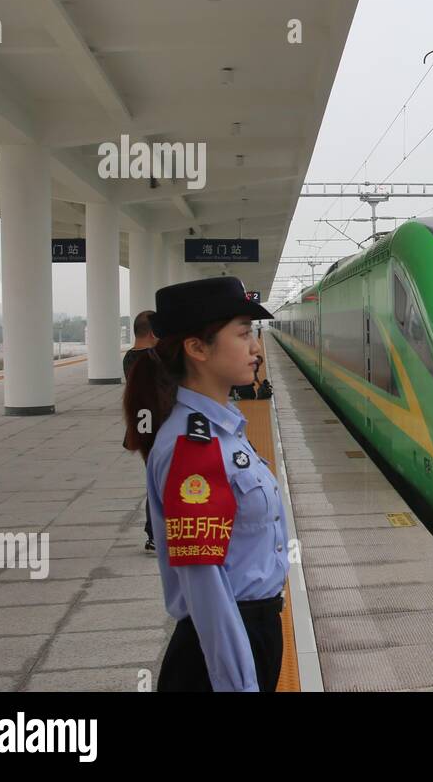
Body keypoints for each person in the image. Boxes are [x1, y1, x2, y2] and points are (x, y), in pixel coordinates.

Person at [122, 277, 288, 692]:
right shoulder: (194, 448)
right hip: (224, 645)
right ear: (197, 348)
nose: (256, 348)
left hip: (253, 632)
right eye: (244, 333)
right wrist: (238, 684)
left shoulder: (224, 428)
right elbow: (204, 585)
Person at [122, 311, 159, 552]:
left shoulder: (129, 357)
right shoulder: (154, 358)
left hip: (141, 427)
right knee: (159, 482)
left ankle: (155, 532)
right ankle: (155, 533)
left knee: (155, 480)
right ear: (154, 332)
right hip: (158, 427)